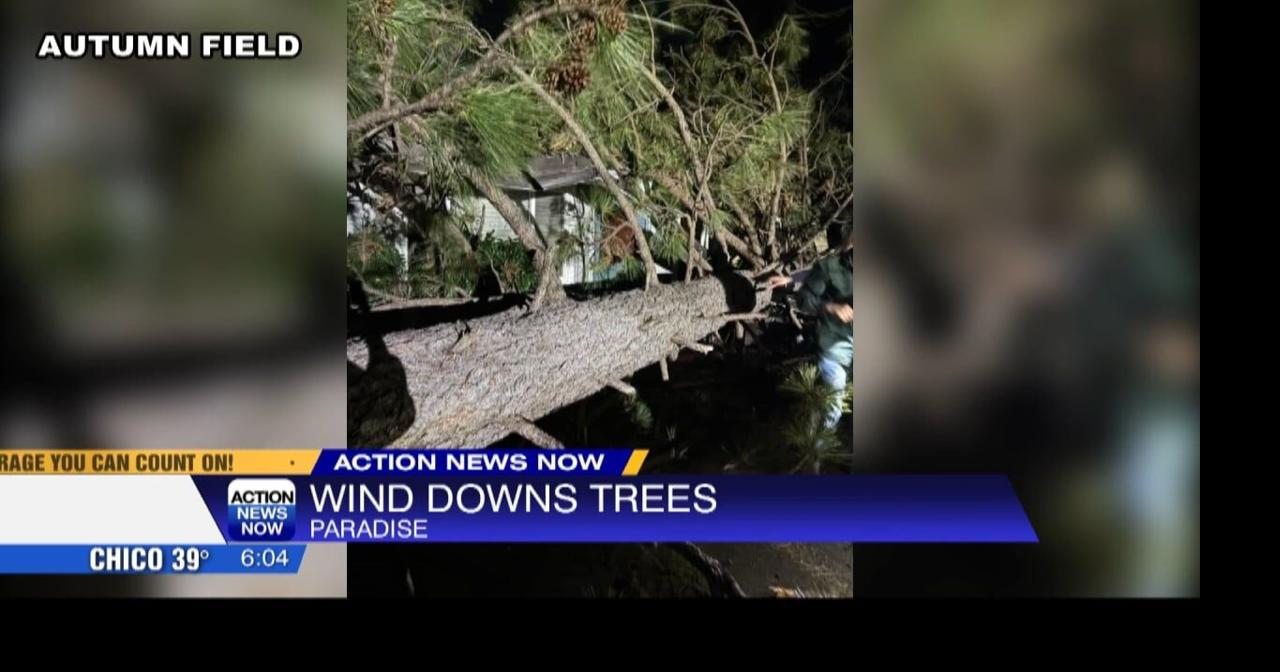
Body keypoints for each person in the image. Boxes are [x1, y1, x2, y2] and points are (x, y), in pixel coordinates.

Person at [768, 221, 854, 429]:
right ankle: (817, 452)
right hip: (835, 346)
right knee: (832, 406)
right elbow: (814, 279)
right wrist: (791, 280)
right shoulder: (833, 266)